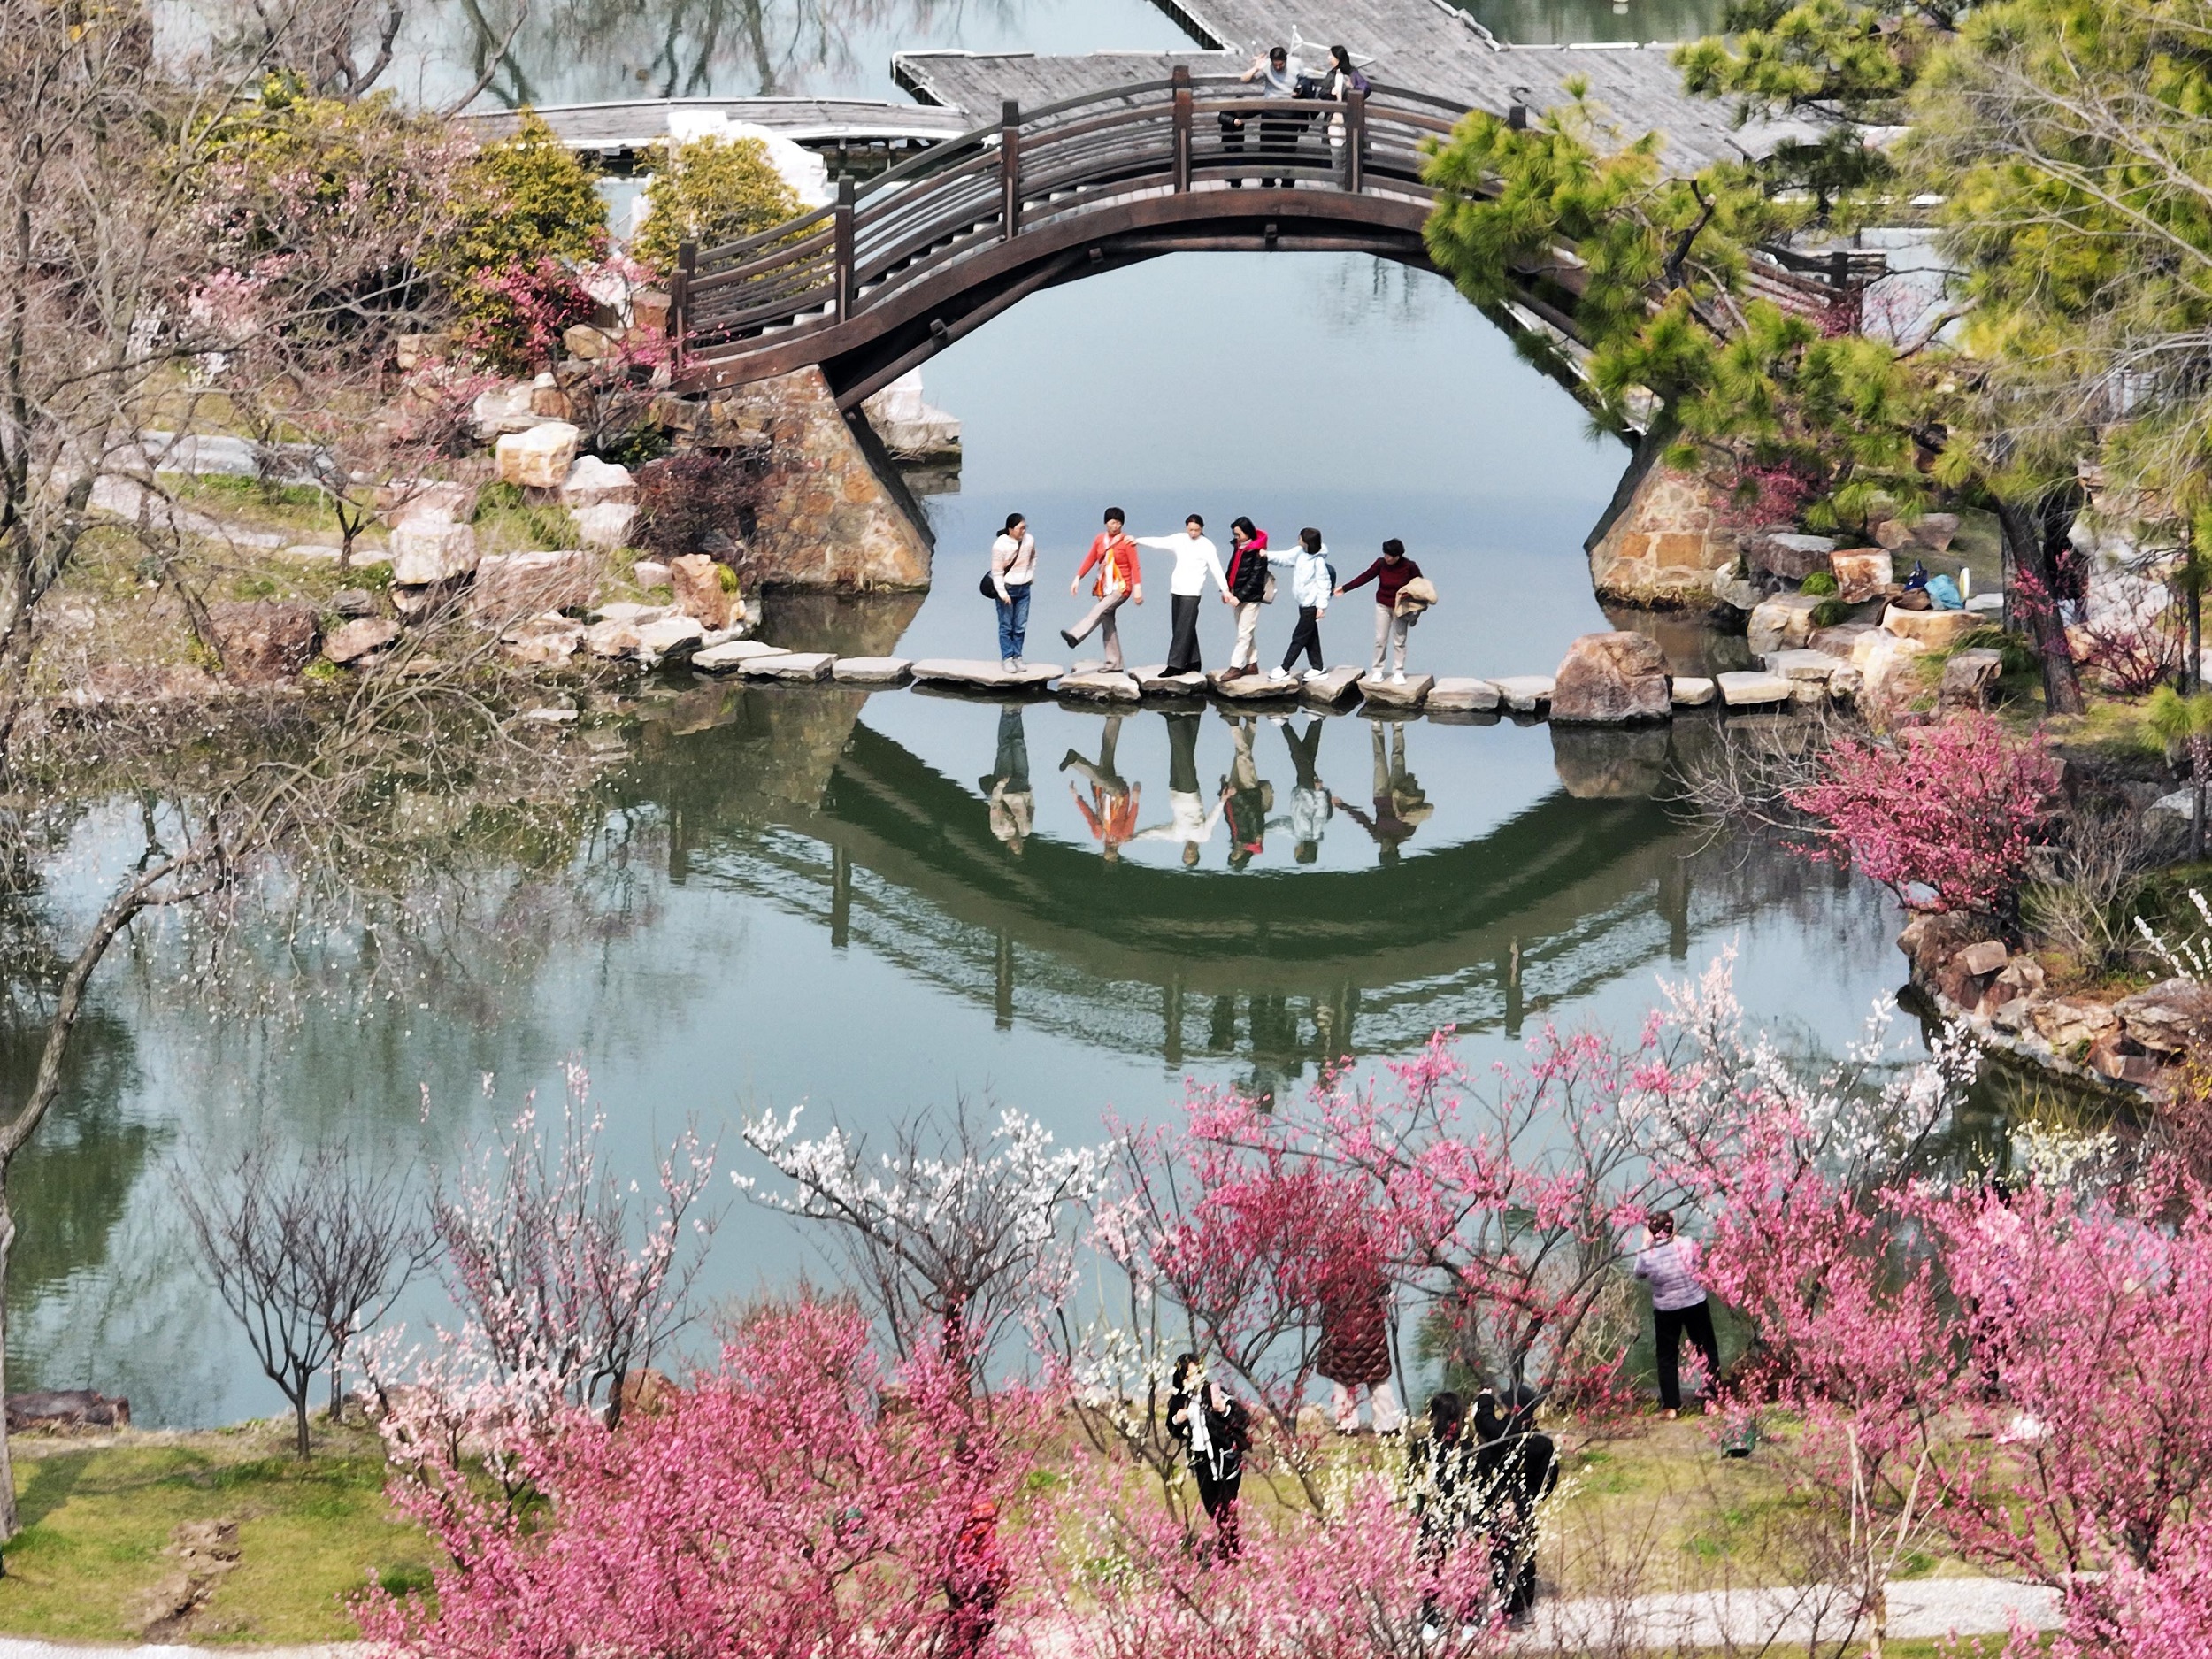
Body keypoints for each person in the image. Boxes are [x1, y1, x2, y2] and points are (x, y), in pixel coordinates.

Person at [1471, 1384, 1558, 1624]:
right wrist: (1528, 1503)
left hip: (1499, 1504)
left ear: (1514, 1409)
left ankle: (1508, 1607)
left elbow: (1483, 1420)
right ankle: (1522, 1608)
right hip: (1523, 1508)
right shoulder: (1542, 1442)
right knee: (1525, 1557)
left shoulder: (1500, 1434)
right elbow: (1548, 1480)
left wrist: (1485, 1398)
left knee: (1501, 1556)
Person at [1634, 1211, 1720, 1418]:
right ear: (1672, 1229)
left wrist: (1646, 1244)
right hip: (1694, 1304)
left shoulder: (1647, 1255)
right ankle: (1713, 1401)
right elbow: (1697, 1262)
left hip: (1666, 1309)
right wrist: (1676, 1237)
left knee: (1667, 1357)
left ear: (1651, 1232)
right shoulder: (1687, 1244)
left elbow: (1638, 1273)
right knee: (1706, 1351)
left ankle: (1671, 1407)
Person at [1166, 1353, 1249, 1558]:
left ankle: (1231, 1549)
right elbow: (1172, 1427)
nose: (1192, 1379)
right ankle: (1228, 1543)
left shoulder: (1211, 1391)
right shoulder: (1180, 1400)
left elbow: (1242, 1416)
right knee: (1212, 1505)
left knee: (1228, 1503)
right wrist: (1178, 1419)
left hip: (1225, 1455)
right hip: (1201, 1459)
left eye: (1195, 1373)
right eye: (1188, 1375)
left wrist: (1224, 1409)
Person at [1133, 514, 1228, 676]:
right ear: (1186, 528)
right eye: (1191, 529)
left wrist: (1225, 590)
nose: (1193, 533)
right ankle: (1194, 661)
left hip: (1192, 591)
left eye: (1197, 530)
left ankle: (1175, 665)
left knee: (1182, 628)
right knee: (1181, 625)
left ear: (1202, 528)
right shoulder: (1179, 539)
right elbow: (1160, 542)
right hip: (1177, 589)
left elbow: (1216, 568)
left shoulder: (1207, 545)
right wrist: (1138, 540)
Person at [1317, 1256, 1403, 1433]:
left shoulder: (1331, 1271)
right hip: (1371, 1336)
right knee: (1377, 1381)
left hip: (1340, 1336)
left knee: (1343, 1381)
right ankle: (1387, 1425)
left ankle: (1346, 1425)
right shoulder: (1369, 1269)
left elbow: (1321, 1293)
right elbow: (1385, 1292)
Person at [1333, 722, 1430, 866]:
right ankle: (1398, 729)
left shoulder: (1377, 835)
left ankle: (1376, 727)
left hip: (1380, 795)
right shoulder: (1406, 833)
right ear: (1394, 850)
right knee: (1398, 758)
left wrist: (1343, 806)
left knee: (1379, 759)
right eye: (1387, 849)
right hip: (1399, 793)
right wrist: (1406, 816)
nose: (1384, 846)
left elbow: (1363, 819)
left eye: (1382, 850)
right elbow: (1421, 813)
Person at [1136, 710, 1223, 866]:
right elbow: (1212, 819)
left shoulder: (1177, 836)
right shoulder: (1203, 836)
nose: (1188, 852)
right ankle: (1174, 720)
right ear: (1197, 853)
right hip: (1190, 792)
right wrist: (1223, 800)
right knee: (1183, 755)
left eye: (1186, 855)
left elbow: (1156, 833)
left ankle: (1193, 719)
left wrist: (1136, 837)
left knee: (1181, 754)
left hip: (1174, 790)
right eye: (1191, 855)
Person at [1062, 508, 1142, 672]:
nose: (1115, 526)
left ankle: (1076, 636)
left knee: (1098, 610)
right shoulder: (1100, 539)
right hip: (1104, 586)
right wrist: (1078, 577)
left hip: (1121, 587)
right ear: (1106, 522)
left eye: (1119, 522)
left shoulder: (1126, 541)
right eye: (1112, 522)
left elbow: (1135, 565)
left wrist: (1137, 588)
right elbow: (1091, 558)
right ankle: (1114, 664)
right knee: (1108, 624)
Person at [1336, 537, 1424, 683]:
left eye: (1390, 556)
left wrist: (1410, 597)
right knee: (1380, 639)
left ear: (1398, 556)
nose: (1387, 558)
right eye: (1385, 554)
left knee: (1399, 640)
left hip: (1401, 607)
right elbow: (1366, 576)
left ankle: (1398, 671)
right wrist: (1345, 588)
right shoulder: (1380, 563)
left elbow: (1419, 584)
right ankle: (1377, 670)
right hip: (1382, 605)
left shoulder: (1409, 566)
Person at [1065, 712, 1141, 864]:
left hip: (1101, 792)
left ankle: (1114, 719)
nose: (1110, 852)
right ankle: (1075, 761)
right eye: (1113, 855)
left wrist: (1076, 798)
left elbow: (1089, 815)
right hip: (1119, 793)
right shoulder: (1124, 836)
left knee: (1107, 753)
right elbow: (1132, 816)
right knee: (1100, 779)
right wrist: (1136, 798)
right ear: (1117, 853)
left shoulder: (1099, 834)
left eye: (1107, 855)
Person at [1270, 526, 1332, 682]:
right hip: (1302, 603)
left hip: (1311, 606)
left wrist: (1322, 607)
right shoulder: (1300, 553)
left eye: (1300, 537)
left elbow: (1324, 584)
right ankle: (1318, 668)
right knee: (1310, 637)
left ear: (1307, 542)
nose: (1298, 538)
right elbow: (1284, 558)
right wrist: (1266, 556)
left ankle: (1285, 668)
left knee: (1299, 636)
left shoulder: (1318, 561)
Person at [1240, 44, 1302, 186]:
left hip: (1290, 112)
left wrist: (1300, 90)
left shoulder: (1296, 63)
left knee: (1288, 149)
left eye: (1280, 65)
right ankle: (1268, 181)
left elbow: (1304, 79)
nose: (1278, 68)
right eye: (1276, 65)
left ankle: (1288, 182)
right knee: (1268, 149)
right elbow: (1244, 79)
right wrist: (1257, 67)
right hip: (1270, 111)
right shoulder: (1267, 65)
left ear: (1286, 60)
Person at [978, 705, 1033, 856]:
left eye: (1014, 847)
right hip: (1022, 785)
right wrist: (1030, 793)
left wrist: (1001, 785)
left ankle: (1007, 712)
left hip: (1006, 787)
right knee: (1019, 745)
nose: (1017, 845)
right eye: (1020, 847)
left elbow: (995, 805)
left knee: (1005, 747)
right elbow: (1031, 809)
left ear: (1008, 846)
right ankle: (1017, 713)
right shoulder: (1026, 830)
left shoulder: (998, 829)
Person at [1220, 517, 1271, 679]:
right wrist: (1226, 590)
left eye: (1238, 534)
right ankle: (1252, 663)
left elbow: (1256, 577)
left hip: (1250, 598)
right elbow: (1232, 568)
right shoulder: (1238, 547)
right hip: (1235, 594)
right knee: (1245, 631)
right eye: (1234, 534)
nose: (1236, 537)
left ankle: (1235, 667)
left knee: (1244, 632)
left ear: (1247, 533)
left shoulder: (1258, 551)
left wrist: (1240, 597)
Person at [989, 511, 1038, 672]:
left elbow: (1033, 557)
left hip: (1024, 587)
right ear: (1010, 529)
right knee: (1006, 626)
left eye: (1025, 528)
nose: (1023, 531)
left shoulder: (1029, 540)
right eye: (1020, 528)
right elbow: (996, 572)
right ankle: (1007, 658)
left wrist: (1030, 575)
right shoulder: (1000, 546)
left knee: (1020, 625)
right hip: (1007, 588)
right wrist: (1002, 593)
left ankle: (1018, 656)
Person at [1281, 714, 1332, 864]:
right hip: (1310, 790)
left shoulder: (1299, 834)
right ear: (1303, 852)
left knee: (1308, 755)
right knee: (1298, 756)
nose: (1294, 851)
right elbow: (1320, 814)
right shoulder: (1314, 833)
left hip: (1301, 789)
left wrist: (1263, 830)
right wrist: (1319, 792)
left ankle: (1316, 721)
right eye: (1296, 854)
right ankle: (1284, 724)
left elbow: (1284, 825)